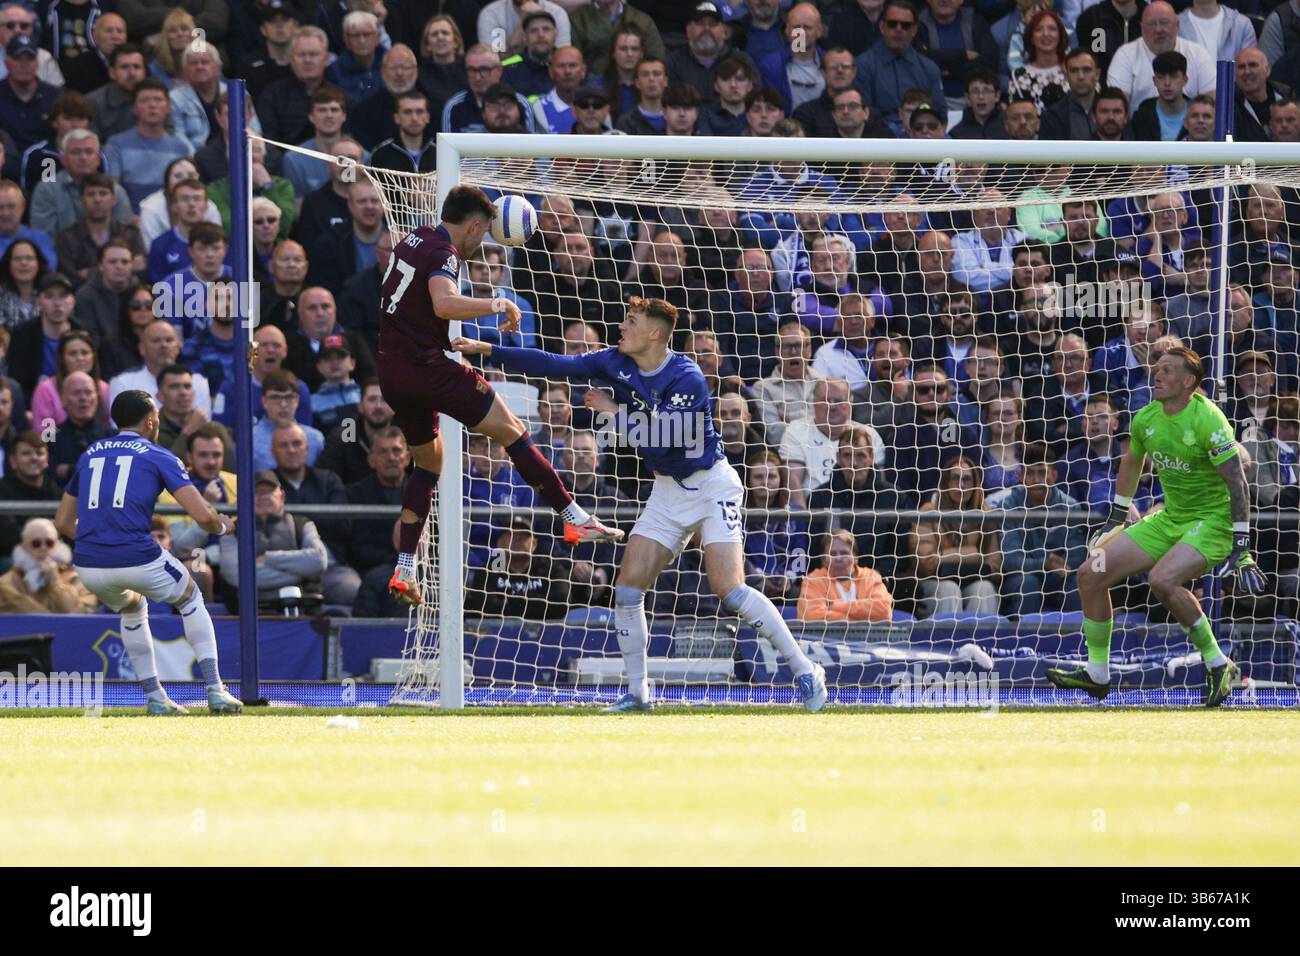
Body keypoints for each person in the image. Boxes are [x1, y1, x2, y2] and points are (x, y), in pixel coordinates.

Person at [455, 295, 830, 713]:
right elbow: (553, 363)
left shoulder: (687, 377)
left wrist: (613, 410)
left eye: (630, 321)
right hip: (667, 492)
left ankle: (804, 671)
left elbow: (664, 437)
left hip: (712, 487)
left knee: (731, 589)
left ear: (654, 332)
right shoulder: (615, 361)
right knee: (629, 589)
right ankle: (638, 694)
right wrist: (490, 350)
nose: (622, 328)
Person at [378, 183, 620, 607]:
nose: (483, 241)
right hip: (425, 368)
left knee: (429, 463)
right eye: (484, 232)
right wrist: (497, 303)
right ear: (473, 226)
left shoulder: (414, 237)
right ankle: (572, 517)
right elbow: (444, 304)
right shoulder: (445, 254)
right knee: (513, 430)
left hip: (392, 371)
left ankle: (405, 565)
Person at [1049, 347, 1262, 706]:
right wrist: (1117, 518)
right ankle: (1098, 675)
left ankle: (1217, 663)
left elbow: (1238, 480)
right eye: (1156, 369)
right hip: (1170, 519)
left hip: (1213, 521)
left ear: (1189, 381)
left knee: (1162, 580)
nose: (1156, 375)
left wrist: (1241, 543)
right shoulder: (1146, 418)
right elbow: (1132, 463)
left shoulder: (1208, 419)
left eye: (1166, 370)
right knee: (1090, 572)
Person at [52, 389, 243, 715]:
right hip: (137, 556)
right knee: (191, 597)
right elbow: (203, 516)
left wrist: (99, 542)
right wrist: (223, 526)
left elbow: (62, 521)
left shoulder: (90, 453)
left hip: (89, 564)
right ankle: (216, 690)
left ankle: (155, 697)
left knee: (133, 606)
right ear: (152, 421)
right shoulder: (159, 455)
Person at [911, 455, 1001, 618]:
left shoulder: (984, 514)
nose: (961, 485)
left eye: (967, 479)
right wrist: (973, 554)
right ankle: (946, 642)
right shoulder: (929, 512)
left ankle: (981, 643)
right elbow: (925, 563)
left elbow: (994, 565)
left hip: (972, 581)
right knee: (950, 590)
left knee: (985, 589)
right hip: (934, 583)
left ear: (974, 485)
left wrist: (945, 557)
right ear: (946, 482)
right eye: (955, 478)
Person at [0, 517, 97, 613]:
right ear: (24, 548)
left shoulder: (79, 580)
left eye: (49, 543)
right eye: (36, 544)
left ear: (58, 546)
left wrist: (55, 582)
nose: (43, 548)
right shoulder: (8, 582)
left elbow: (78, 616)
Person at [796, 529, 894, 621]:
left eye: (844, 553)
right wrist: (861, 618)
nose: (838, 558)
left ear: (855, 558)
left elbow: (884, 611)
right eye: (833, 554)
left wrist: (834, 606)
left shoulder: (870, 577)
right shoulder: (814, 579)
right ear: (823, 560)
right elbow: (811, 616)